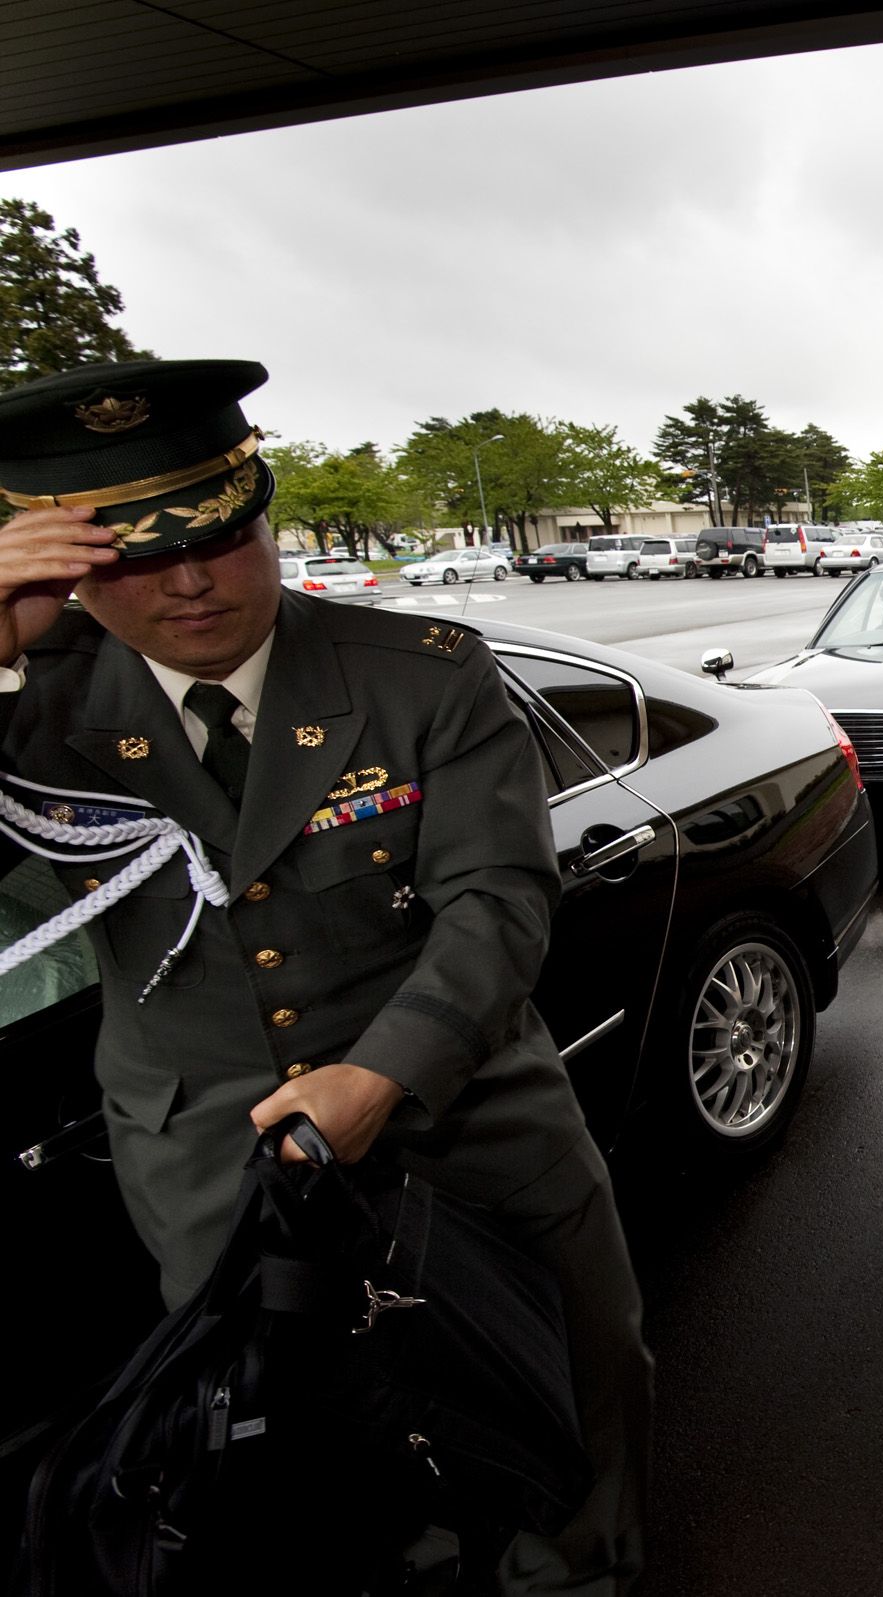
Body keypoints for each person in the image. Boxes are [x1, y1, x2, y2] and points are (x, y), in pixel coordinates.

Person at [0, 359, 648, 1594]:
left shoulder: (418, 669)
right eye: (135, 557)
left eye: (218, 537)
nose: (190, 581)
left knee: (572, 1400)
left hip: (468, 1123)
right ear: (61, 568)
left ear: (264, 517)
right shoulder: (34, 702)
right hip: (215, 1164)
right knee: (304, 1445)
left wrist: (383, 1073)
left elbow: (499, 899)